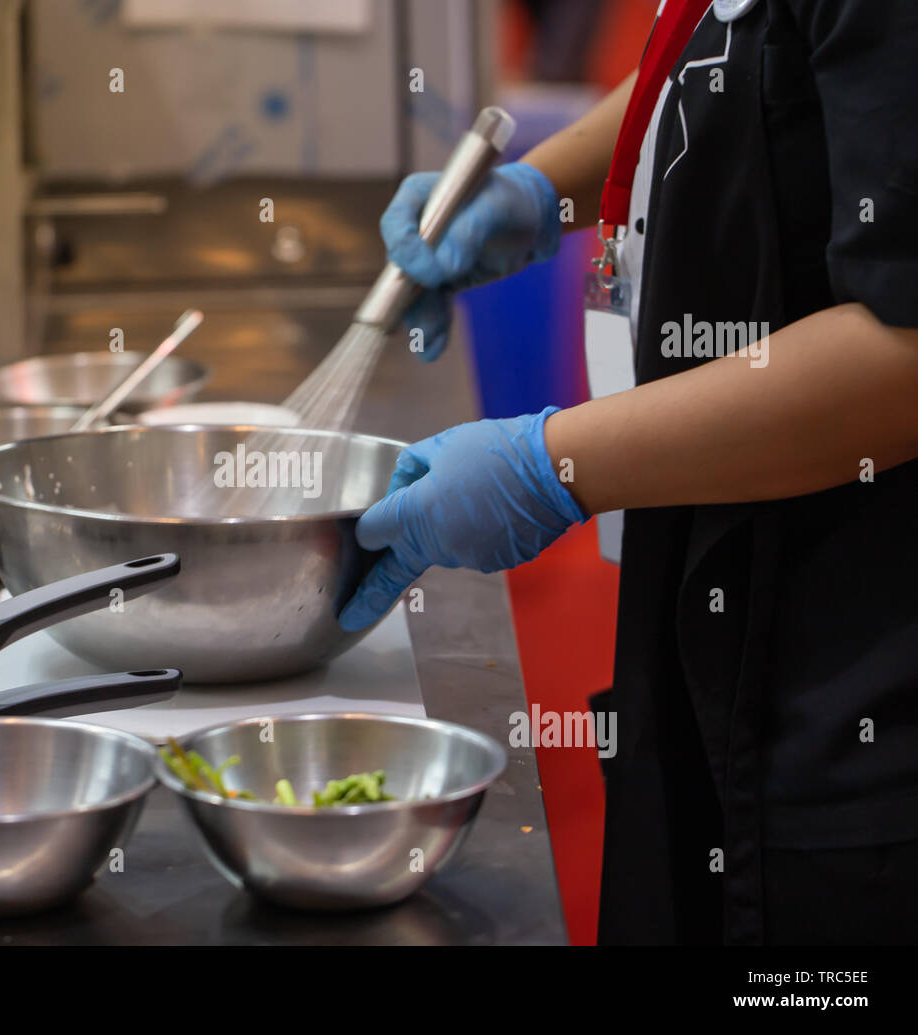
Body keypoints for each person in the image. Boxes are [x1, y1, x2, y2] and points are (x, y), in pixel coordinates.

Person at [338, 0, 918, 945]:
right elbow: (735, 48)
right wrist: (538, 190)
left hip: (853, 684)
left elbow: (906, 353)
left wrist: (552, 464)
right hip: (718, 592)